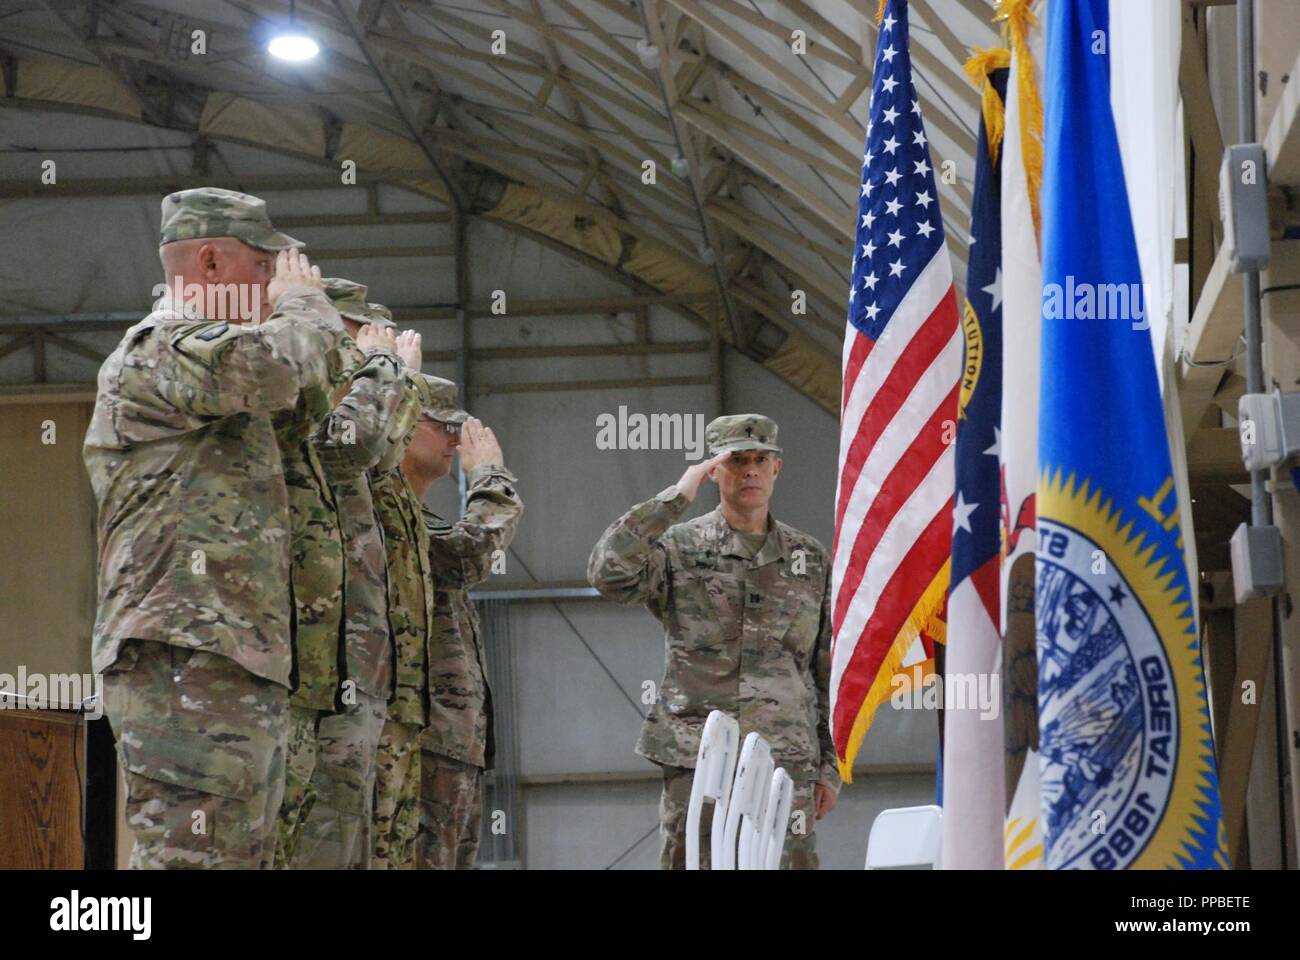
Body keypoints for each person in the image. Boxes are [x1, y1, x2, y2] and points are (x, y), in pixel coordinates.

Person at [84, 187, 345, 868]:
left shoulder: (221, 381)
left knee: (237, 857)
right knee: (191, 859)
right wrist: (305, 305)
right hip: (181, 653)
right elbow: (271, 365)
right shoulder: (164, 345)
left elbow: (307, 402)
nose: (273, 287)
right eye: (264, 269)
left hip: (229, 654)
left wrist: (306, 323)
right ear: (208, 261)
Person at [587, 414, 840, 869]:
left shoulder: (809, 558)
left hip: (788, 760)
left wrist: (830, 767)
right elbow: (609, 573)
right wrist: (675, 498)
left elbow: (826, 670)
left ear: (776, 468)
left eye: (760, 460)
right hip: (700, 758)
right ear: (713, 471)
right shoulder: (679, 547)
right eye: (736, 460)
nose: (750, 471)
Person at [271, 290, 422, 868]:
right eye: (350, 338)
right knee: (288, 841)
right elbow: (348, 447)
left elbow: (376, 455)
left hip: (353, 671)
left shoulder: (349, 426)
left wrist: (393, 383)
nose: (361, 351)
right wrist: (386, 372)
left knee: (337, 843)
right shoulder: (292, 413)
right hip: (296, 671)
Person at [399, 378, 523, 870]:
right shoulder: (388, 513)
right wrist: (490, 477)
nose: (455, 440)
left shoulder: (419, 516)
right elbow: (467, 555)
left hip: (450, 742)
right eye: (443, 425)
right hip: (419, 739)